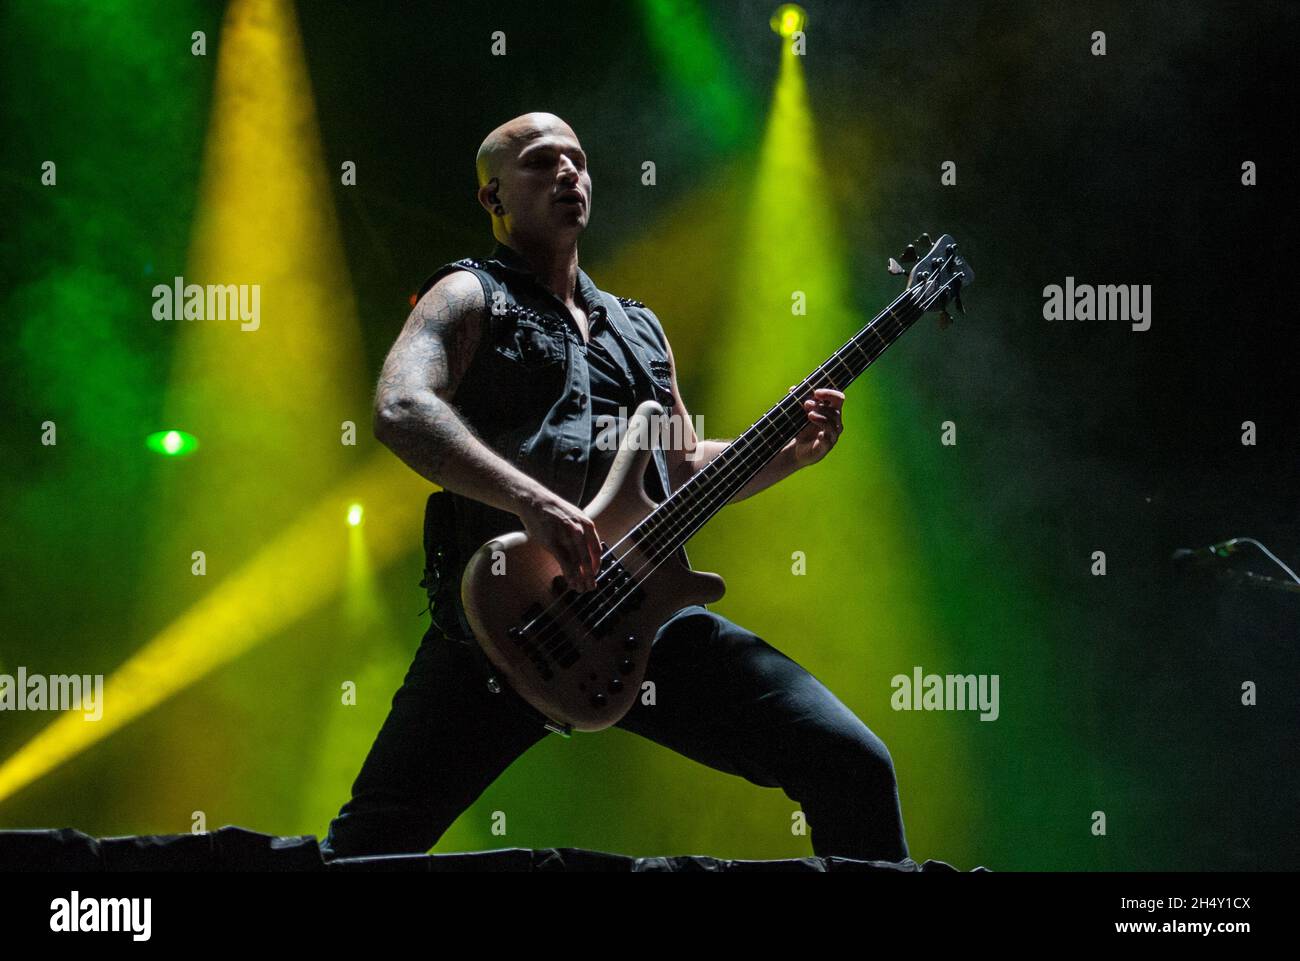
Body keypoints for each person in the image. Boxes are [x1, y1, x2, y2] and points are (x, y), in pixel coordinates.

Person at [321, 112, 908, 863]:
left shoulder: (638, 328)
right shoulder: (469, 296)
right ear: (492, 198)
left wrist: (786, 455)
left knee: (851, 762)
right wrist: (530, 501)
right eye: (541, 162)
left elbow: (678, 469)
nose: (568, 173)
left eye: (579, 160)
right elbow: (402, 408)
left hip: (640, 622)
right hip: (504, 624)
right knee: (367, 852)